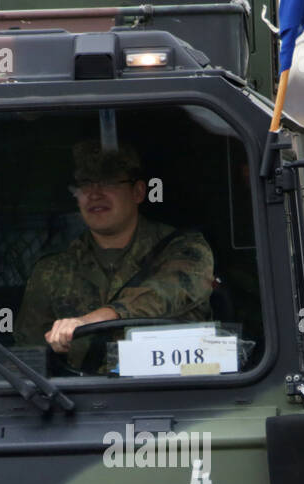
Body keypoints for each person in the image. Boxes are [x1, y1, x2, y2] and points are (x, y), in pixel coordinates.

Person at [14, 140, 215, 371]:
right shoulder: (52, 269)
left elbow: (161, 295)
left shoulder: (184, 249)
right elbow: (29, 356)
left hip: (176, 397)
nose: (94, 193)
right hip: (79, 402)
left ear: (138, 192)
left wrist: (87, 321)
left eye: (108, 181)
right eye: (85, 183)